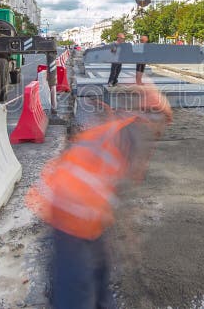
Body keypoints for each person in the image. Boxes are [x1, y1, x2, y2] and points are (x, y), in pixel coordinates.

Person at [27, 87, 172, 309]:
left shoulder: (124, 129)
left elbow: (115, 182)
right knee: (76, 286)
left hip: (85, 214)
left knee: (99, 273)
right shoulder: (133, 134)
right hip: (70, 213)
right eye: (160, 121)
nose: (160, 130)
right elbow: (120, 180)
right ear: (147, 115)